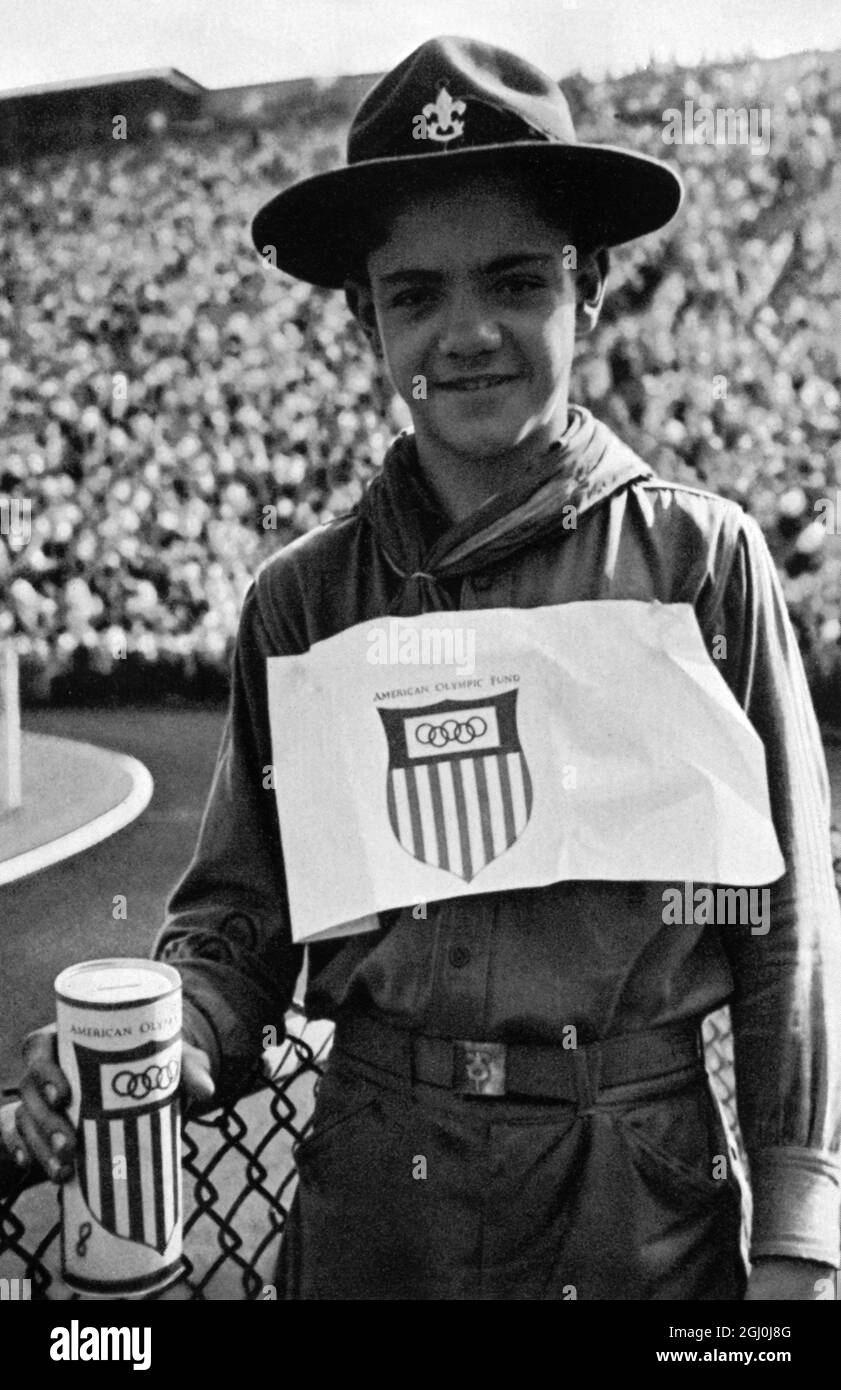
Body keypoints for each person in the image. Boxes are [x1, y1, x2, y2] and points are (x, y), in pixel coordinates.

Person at [6, 36, 840, 1301]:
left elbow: (786, 926)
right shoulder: (299, 598)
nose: (466, 335)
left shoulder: (698, 560)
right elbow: (241, 916)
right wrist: (171, 1036)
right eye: (414, 296)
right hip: (376, 1186)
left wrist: (795, 1237)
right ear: (363, 318)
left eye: (515, 282)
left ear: (591, 285)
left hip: (635, 1186)